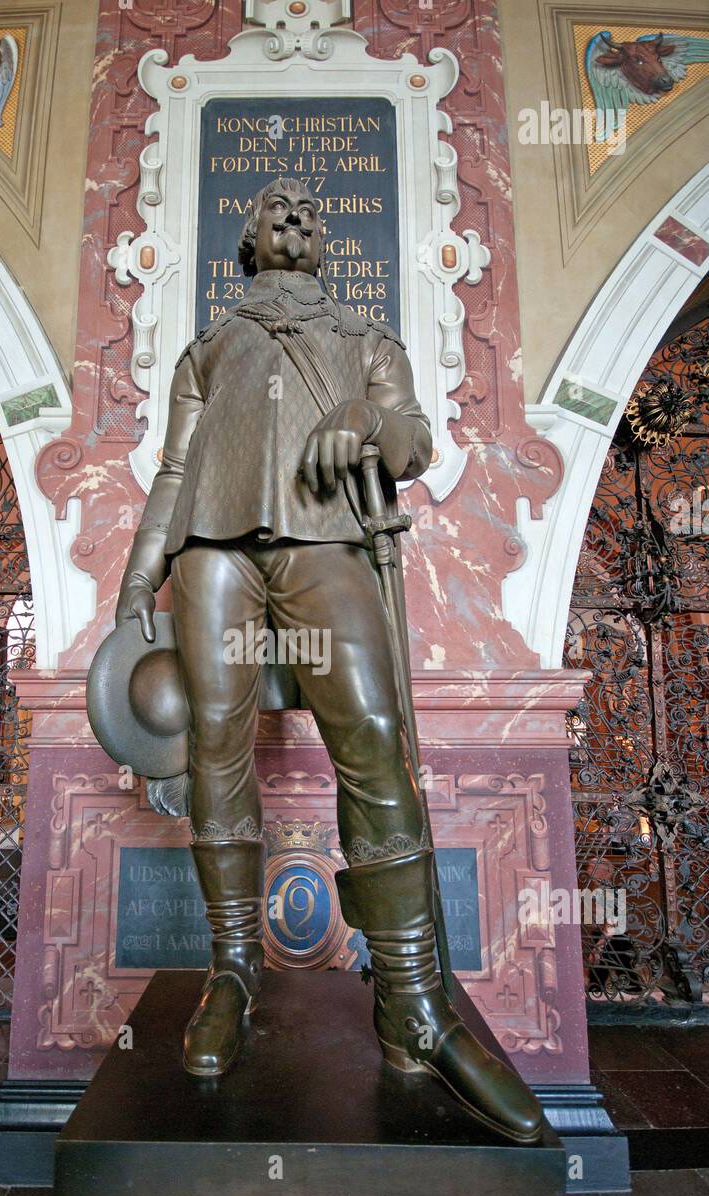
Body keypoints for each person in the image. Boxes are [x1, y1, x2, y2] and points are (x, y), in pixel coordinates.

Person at [114, 178, 542, 1144]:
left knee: (376, 739)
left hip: (325, 546)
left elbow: (417, 443)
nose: (295, 216)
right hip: (213, 553)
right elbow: (174, 471)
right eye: (275, 210)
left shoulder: (365, 339)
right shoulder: (209, 348)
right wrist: (140, 580)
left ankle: (413, 1007)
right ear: (249, 241)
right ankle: (231, 974)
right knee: (215, 747)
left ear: (321, 243)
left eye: (308, 212)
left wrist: (366, 423)